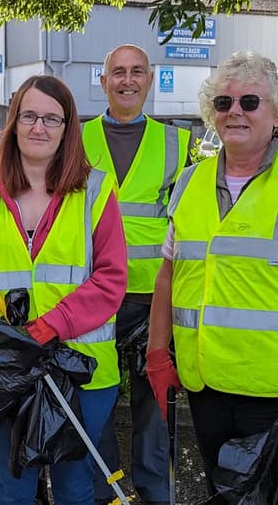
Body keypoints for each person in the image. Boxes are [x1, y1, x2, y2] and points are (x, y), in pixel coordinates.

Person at [144, 52, 278, 501]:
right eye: (223, 102)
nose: (235, 111)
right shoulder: (190, 181)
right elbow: (168, 275)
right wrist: (157, 352)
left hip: (277, 389)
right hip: (206, 383)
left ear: (277, 114)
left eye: (250, 101)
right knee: (222, 492)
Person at [0, 75, 127, 505]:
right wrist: (0, 339)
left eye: (51, 118)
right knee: (13, 486)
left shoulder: (95, 190)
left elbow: (110, 279)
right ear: (14, 124)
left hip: (83, 370)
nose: (39, 127)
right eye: (29, 116)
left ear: (67, 128)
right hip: (5, 369)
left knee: (74, 486)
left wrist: (49, 327)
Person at [81, 44, 190, 505]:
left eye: (137, 72)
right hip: (93, 296)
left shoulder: (178, 143)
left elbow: (187, 221)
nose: (127, 80)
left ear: (149, 79)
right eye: (118, 72)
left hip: (153, 298)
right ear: (103, 81)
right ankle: (105, 492)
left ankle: (155, 493)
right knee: (96, 403)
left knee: (156, 406)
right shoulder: (76, 138)